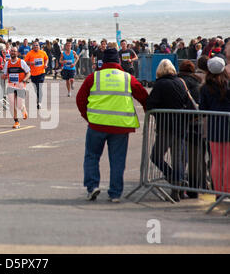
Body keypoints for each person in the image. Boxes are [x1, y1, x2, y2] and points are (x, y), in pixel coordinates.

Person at [77, 48, 148, 203]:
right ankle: (115, 193)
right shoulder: (127, 78)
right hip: (120, 127)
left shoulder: (94, 77)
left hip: (96, 125)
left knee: (92, 156)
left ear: (103, 61)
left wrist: (88, 116)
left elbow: (80, 99)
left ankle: (92, 186)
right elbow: (143, 96)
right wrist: (149, 110)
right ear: (118, 61)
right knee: (117, 160)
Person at [147, 59, 197, 201]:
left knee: (156, 156)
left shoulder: (160, 84)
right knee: (178, 160)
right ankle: (177, 187)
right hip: (181, 127)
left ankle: (172, 178)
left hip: (165, 127)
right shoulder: (181, 82)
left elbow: (150, 104)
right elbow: (189, 104)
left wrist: (156, 113)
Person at [199, 57, 230, 196]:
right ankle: (227, 190)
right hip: (228, 123)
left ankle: (218, 190)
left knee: (216, 160)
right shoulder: (228, 84)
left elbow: (203, 108)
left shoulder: (205, 87)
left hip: (214, 125)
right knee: (228, 160)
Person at [178, 60, 208, 198]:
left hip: (184, 122)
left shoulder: (180, 82)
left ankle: (182, 186)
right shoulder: (197, 82)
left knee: (182, 157)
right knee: (198, 158)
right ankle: (198, 186)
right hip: (198, 122)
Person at [2, 47, 31, 129]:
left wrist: (24, 80)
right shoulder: (7, 63)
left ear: (17, 53)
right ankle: (16, 121)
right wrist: (3, 76)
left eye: (14, 51)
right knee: (12, 104)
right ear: (10, 53)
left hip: (21, 86)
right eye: (11, 51)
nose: (13, 53)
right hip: (11, 86)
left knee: (19, 105)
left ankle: (23, 109)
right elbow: (4, 75)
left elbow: (28, 73)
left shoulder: (22, 62)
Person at [24, 41, 49, 109]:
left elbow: (46, 59)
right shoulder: (29, 53)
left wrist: (46, 64)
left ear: (39, 46)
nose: (36, 46)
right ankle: (38, 98)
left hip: (41, 73)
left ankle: (39, 102)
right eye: (34, 45)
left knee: (39, 87)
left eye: (37, 45)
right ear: (32, 46)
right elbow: (25, 62)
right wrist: (30, 63)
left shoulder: (43, 52)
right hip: (33, 74)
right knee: (36, 88)